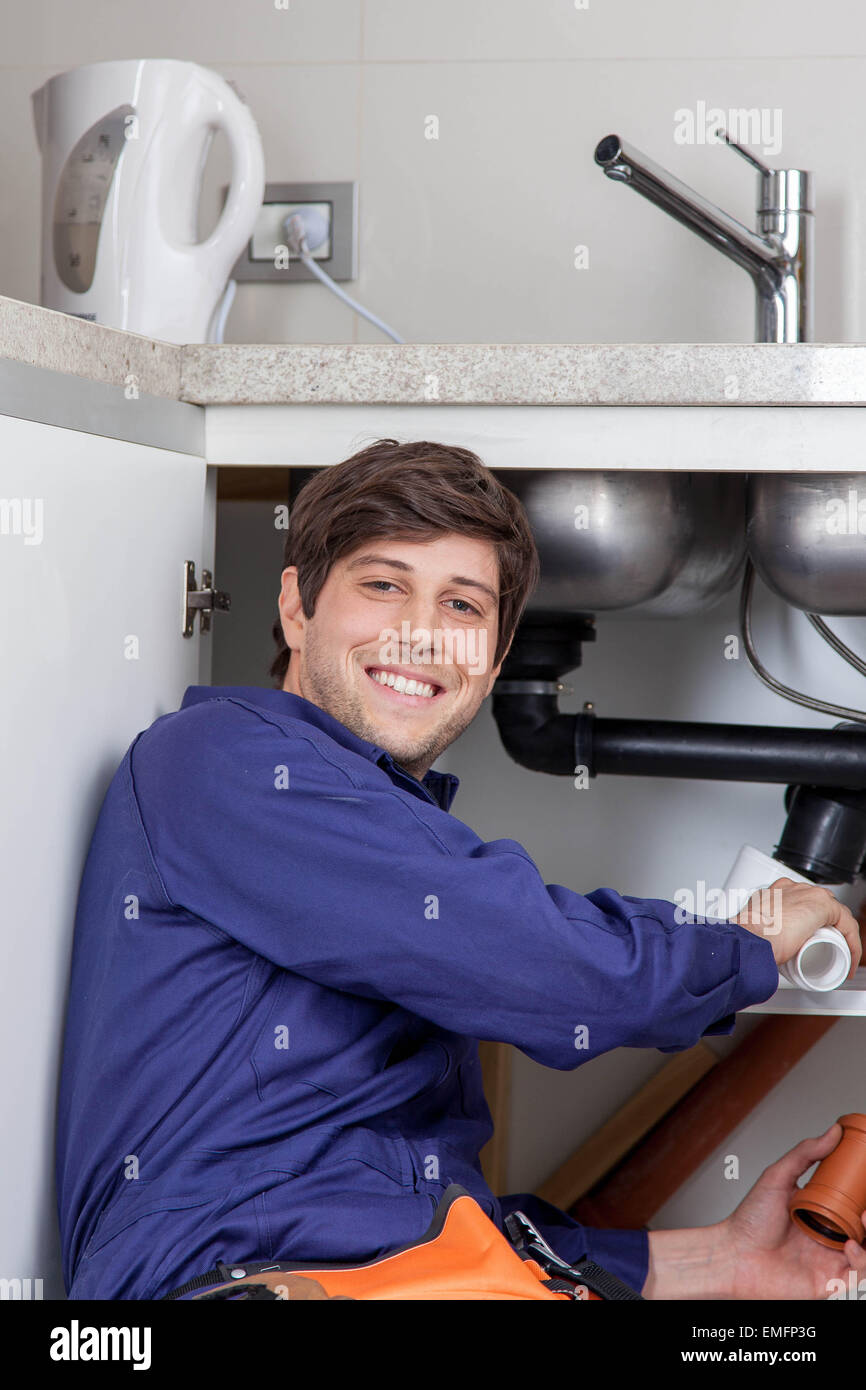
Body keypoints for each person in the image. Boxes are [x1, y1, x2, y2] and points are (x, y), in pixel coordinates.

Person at [56, 439, 865, 1301]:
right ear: (296, 607)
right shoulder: (220, 762)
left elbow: (426, 1209)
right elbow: (554, 969)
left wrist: (718, 1264)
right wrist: (741, 944)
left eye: (463, 606)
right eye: (383, 585)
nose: (419, 633)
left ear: (498, 653)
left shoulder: (378, 841)